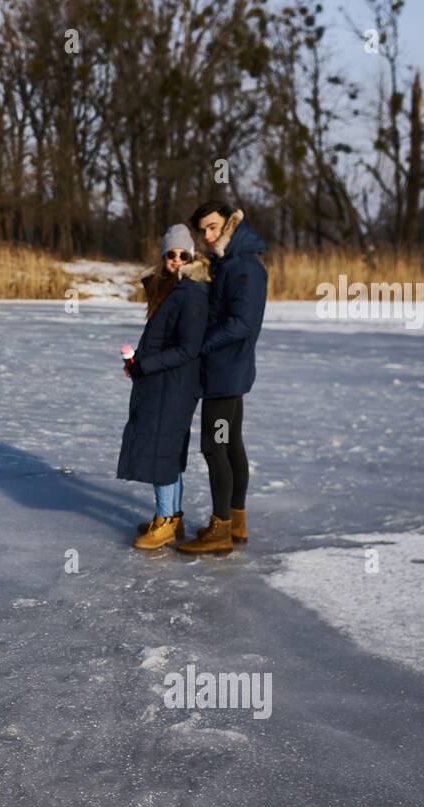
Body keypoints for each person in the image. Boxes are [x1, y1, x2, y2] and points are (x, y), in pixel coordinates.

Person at [177, 201, 267, 556]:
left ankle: (220, 529)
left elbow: (243, 324)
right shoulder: (229, 261)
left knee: (216, 447)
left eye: (213, 227)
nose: (207, 236)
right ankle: (236, 520)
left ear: (231, 224)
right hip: (227, 369)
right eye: (203, 230)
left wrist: (200, 346)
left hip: (224, 372)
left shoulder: (245, 266)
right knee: (231, 445)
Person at [117, 224, 210, 549]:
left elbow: (188, 347)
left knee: (162, 453)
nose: (176, 260)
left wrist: (146, 365)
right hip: (163, 383)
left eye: (183, 255)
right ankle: (173, 517)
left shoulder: (192, 294)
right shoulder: (171, 289)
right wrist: (138, 363)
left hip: (175, 386)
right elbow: (162, 340)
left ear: (192, 257)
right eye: (171, 254)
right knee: (166, 451)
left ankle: (165, 520)